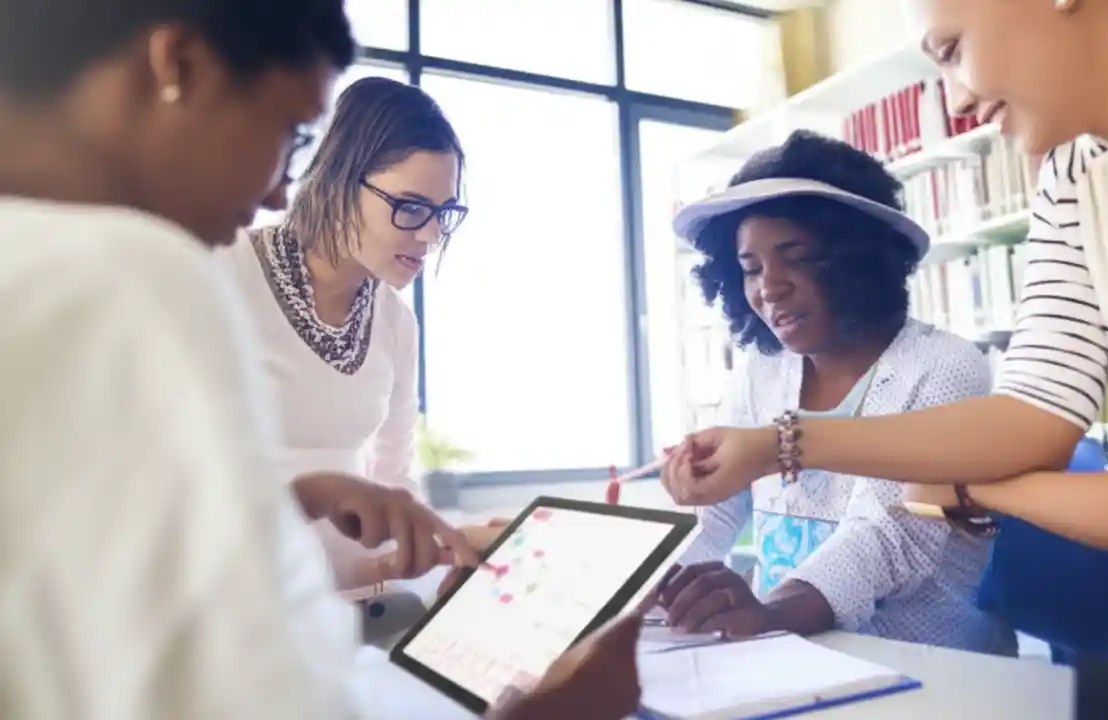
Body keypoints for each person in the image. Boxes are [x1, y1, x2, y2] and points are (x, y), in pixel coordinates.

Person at [0, 1, 640, 718]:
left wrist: (298, 500)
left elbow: (99, 549)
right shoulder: (153, 270)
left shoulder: (55, 265)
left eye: (442, 215)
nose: (278, 187)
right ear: (177, 68)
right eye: (288, 131)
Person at [660, 0, 1108, 600]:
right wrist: (776, 445)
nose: (955, 100)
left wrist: (981, 490)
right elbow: (1032, 416)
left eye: (952, 51)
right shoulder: (1074, 175)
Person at [654, 131, 1014, 654]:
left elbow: (892, 538)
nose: (769, 287)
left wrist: (770, 612)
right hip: (792, 654)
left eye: (795, 258)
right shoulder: (763, 370)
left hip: (926, 668)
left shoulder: (945, 367)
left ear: (857, 259)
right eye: (750, 269)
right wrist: (650, 587)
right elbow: (714, 520)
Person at [220, 76, 468, 591]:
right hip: (235, 606)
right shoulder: (227, 271)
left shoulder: (396, 322)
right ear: (340, 178)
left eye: (443, 214)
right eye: (411, 207)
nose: (429, 235)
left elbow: (393, 481)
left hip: (352, 605)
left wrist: (436, 548)